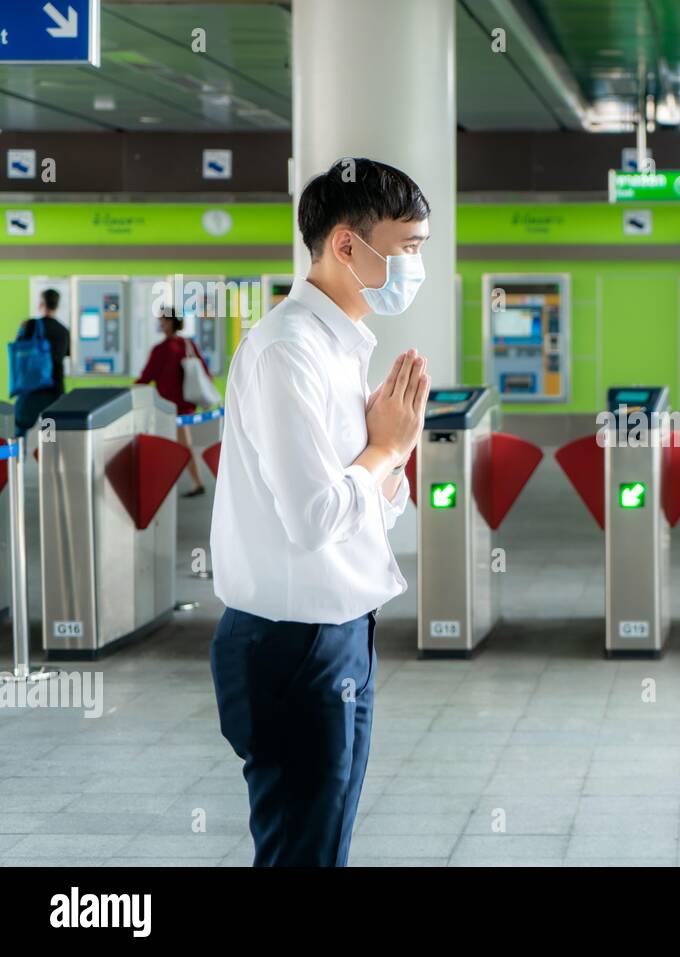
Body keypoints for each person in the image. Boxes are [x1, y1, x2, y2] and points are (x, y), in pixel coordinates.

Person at [209, 157, 430, 867]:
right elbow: (314, 519)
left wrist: (390, 458)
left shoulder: (343, 349)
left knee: (322, 844)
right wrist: (384, 450)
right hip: (292, 645)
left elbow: (368, 513)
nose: (416, 267)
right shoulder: (289, 351)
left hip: (342, 632)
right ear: (345, 245)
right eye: (407, 248)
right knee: (302, 851)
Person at [136, 308, 212, 497]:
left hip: (167, 407)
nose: (160, 324)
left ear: (170, 322)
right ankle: (194, 482)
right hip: (185, 404)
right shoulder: (188, 344)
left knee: (174, 447)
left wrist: (130, 389)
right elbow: (204, 371)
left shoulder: (161, 350)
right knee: (182, 445)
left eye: (163, 320)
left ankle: (172, 485)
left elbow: (146, 377)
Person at [14, 288, 70, 436]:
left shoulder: (30, 325)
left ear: (41, 304)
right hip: (54, 393)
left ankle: (16, 451)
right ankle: (47, 452)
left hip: (32, 390)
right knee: (48, 437)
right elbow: (66, 354)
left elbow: (18, 349)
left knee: (19, 430)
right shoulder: (63, 331)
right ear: (57, 306)